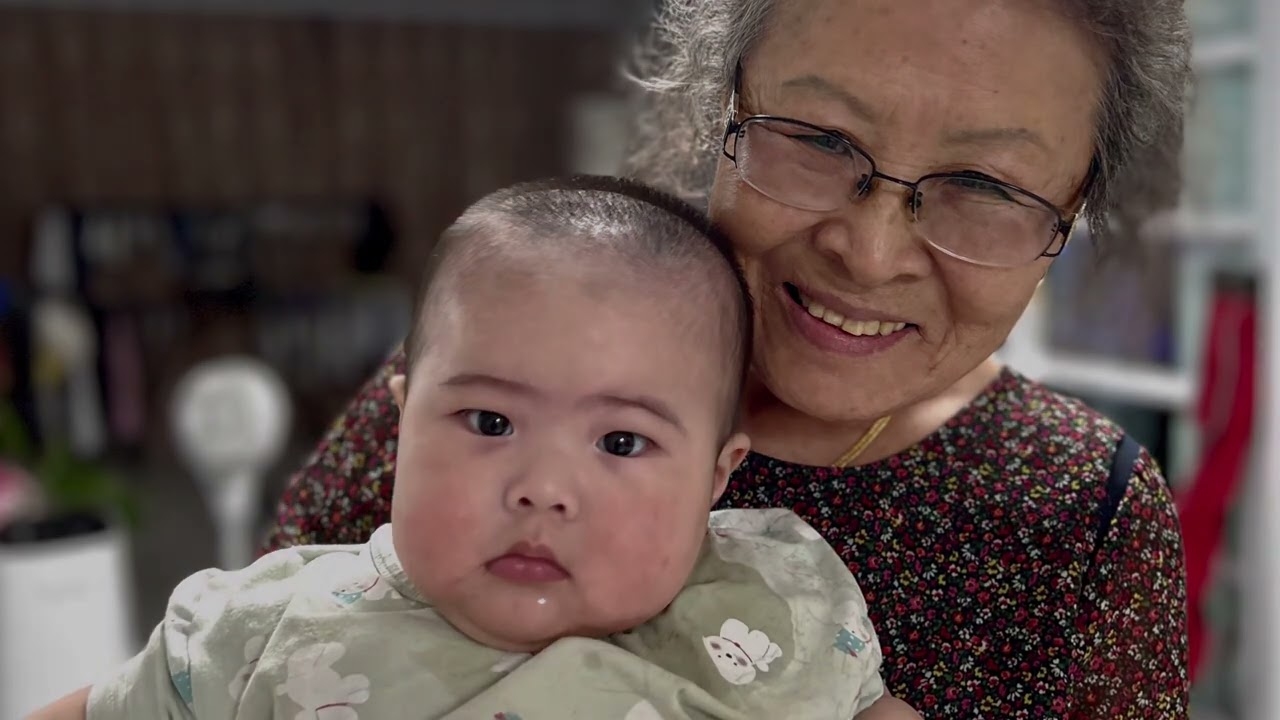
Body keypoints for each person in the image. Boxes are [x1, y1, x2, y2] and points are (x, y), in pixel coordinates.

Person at [265, 1, 1193, 716]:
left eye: (984, 187)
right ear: (725, 109)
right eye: (820, 141)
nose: (868, 254)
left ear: (1071, 217)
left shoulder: (1078, 512)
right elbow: (251, 661)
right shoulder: (490, 380)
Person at [33, 178, 920, 720]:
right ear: (403, 419)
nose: (542, 490)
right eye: (490, 423)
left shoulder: (770, 611)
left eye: (621, 440)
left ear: (716, 477)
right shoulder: (264, 629)